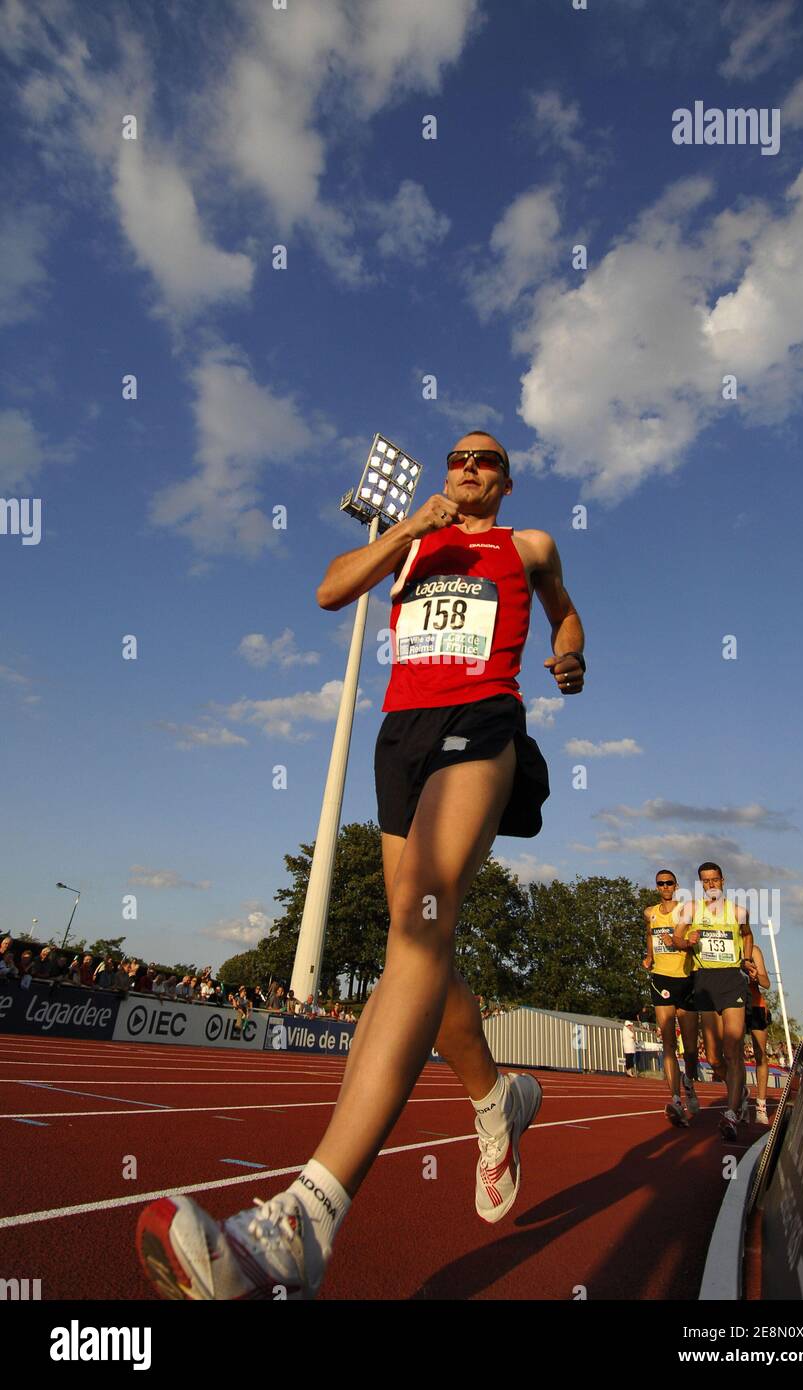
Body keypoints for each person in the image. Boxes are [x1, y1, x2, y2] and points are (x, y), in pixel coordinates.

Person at [137, 428, 586, 1301]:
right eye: (458, 457)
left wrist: (566, 648)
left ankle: (308, 1218)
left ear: (508, 480)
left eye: (487, 459)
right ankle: (496, 1097)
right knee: (413, 942)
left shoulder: (526, 545)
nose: (469, 467)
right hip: (400, 736)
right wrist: (401, 530)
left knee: (420, 919)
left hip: (482, 717)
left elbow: (563, 606)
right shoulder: (412, 539)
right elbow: (329, 591)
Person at [673, 863, 755, 1140]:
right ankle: (739, 1089)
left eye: (715, 879)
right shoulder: (691, 909)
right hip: (705, 981)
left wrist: (747, 959)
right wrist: (687, 940)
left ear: (723, 880)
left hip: (731, 979)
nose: (711, 884)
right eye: (706, 881)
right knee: (713, 1057)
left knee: (733, 1050)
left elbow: (746, 934)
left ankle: (730, 1114)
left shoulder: (738, 911)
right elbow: (676, 938)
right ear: (700, 883)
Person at [642, 869, 700, 1125]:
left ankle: (688, 1080)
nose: (665, 887)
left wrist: (678, 942)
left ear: (676, 886)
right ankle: (675, 1099)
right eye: (660, 883)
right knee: (668, 1042)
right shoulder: (650, 912)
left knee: (689, 1048)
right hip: (661, 978)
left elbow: (692, 943)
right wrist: (650, 956)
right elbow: (649, 934)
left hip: (685, 979)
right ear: (656, 887)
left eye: (669, 883)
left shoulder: (685, 911)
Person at [744, 943, 772, 1125]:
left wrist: (756, 976)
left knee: (760, 1055)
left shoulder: (754, 950)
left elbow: (766, 982)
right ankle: (741, 1100)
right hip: (734, 1003)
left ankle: (761, 1105)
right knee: (733, 1056)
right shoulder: (728, 944)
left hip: (755, 1005)